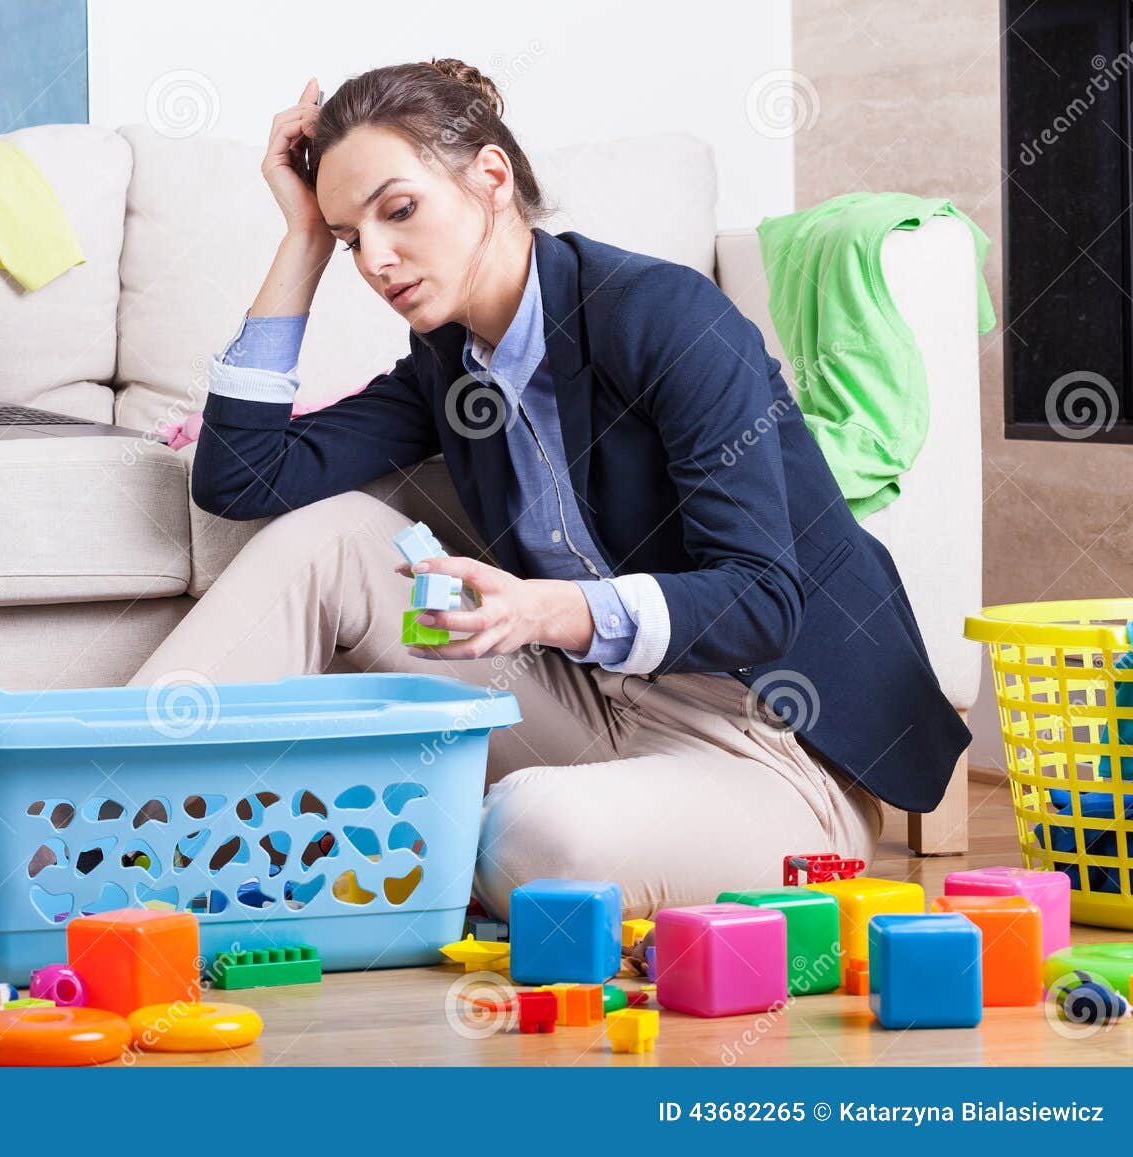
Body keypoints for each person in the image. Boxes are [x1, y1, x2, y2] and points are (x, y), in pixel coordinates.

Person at [129, 60, 969, 919]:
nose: (375, 259)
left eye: (400, 209)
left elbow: (759, 600)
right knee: (333, 537)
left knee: (531, 832)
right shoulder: (449, 365)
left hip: (769, 747)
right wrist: (303, 241)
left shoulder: (662, 313)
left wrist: (541, 611)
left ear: (491, 177)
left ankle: (304, 847)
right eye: (351, 238)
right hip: (590, 708)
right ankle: (105, 822)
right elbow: (242, 476)